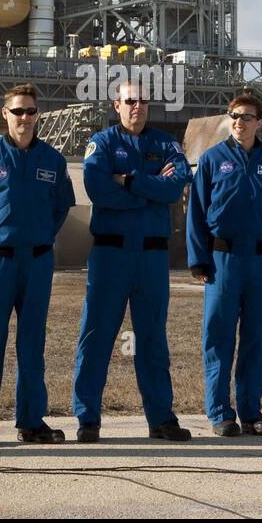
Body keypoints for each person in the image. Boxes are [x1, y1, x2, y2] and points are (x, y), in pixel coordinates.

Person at [71, 80, 193, 442]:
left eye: (142, 101)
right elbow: (98, 189)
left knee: (153, 338)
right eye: (130, 101)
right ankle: (87, 418)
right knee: (97, 335)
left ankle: (161, 418)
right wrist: (150, 191)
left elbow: (176, 187)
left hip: (153, 256)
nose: (137, 106)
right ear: (117, 105)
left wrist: (130, 180)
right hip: (111, 254)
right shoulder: (103, 142)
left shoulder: (165, 144)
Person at [0, 84, 75, 447]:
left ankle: (30, 421)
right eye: (18, 111)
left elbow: (60, 209)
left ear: (38, 116)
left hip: (37, 262)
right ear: (5, 114)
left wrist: (37, 238)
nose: (25, 118)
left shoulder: (52, 160)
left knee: (32, 343)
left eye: (31, 112)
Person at [187, 92, 262, 436]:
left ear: (259, 122)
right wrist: (198, 259)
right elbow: (197, 213)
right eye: (234, 115)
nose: (239, 122)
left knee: (254, 338)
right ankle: (220, 412)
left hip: (261, 262)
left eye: (247, 116)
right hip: (223, 261)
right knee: (218, 336)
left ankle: (250, 412)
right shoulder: (211, 160)